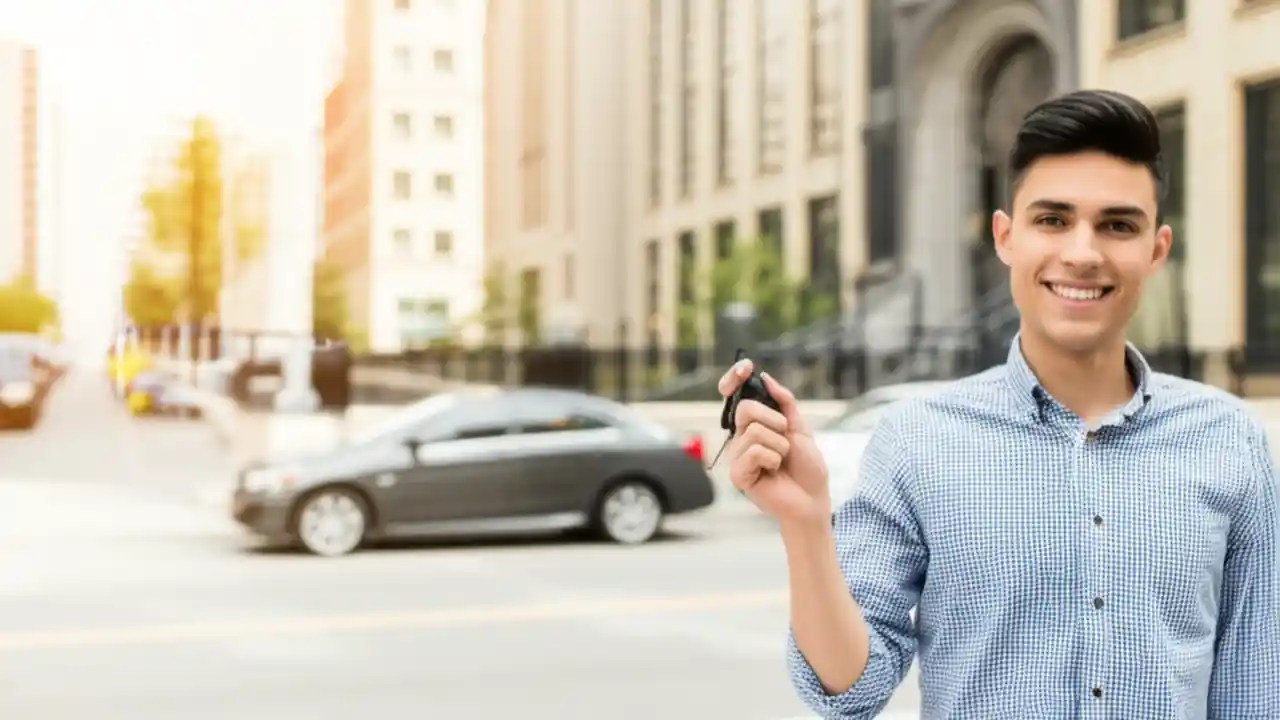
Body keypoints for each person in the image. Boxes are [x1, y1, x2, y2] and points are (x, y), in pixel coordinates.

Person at [719, 89, 1279, 719]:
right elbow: (851, 691)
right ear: (1006, 237)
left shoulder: (1229, 438)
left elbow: (1255, 687)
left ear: (1156, 249)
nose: (1083, 253)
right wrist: (805, 522)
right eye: (1053, 220)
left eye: (1118, 225)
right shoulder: (918, 440)